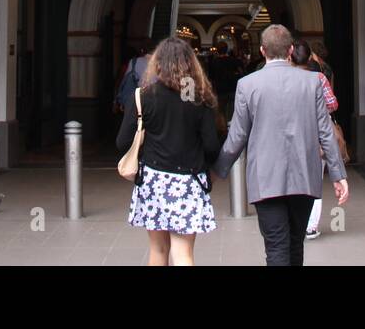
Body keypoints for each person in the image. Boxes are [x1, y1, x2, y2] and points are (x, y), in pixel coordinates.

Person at [213, 24, 349, 266]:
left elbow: (237, 136)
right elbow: (325, 132)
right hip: (305, 176)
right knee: (296, 243)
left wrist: (217, 170)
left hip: (265, 178)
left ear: (263, 51)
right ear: (290, 51)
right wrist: (338, 175)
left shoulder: (247, 84)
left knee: (276, 246)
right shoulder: (313, 82)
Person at [116, 36, 220, 266]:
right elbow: (212, 145)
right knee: (183, 254)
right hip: (189, 181)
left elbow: (122, 143)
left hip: (153, 180)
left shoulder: (143, 96)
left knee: (158, 249)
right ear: (190, 63)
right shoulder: (197, 98)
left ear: (157, 63)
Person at [291, 40, 338, 240]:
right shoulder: (319, 77)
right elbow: (333, 104)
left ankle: (294, 222)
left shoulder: (285, 78)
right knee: (314, 180)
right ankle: (310, 226)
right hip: (316, 137)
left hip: (291, 137)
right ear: (310, 57)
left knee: (292, 180)